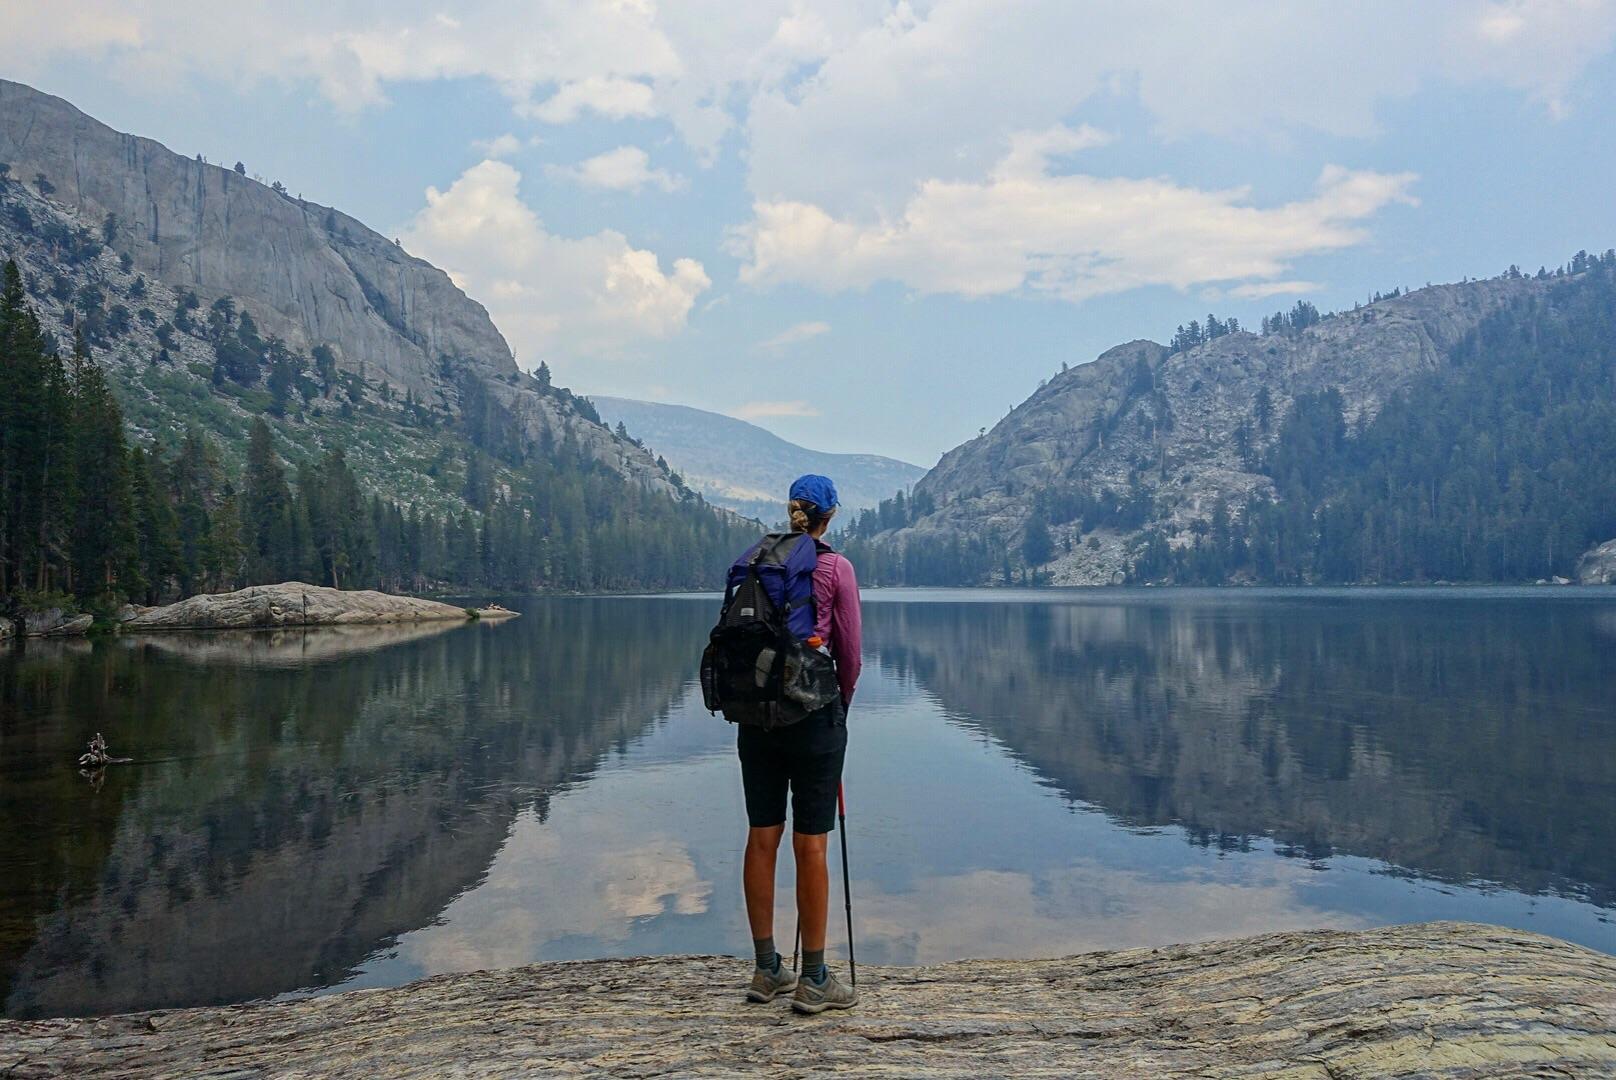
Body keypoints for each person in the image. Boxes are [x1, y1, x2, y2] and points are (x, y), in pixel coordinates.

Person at [739, 474, 862, 1014]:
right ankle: (814, 978)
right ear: (829, 517)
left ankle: (767, 971)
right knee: (811, 843)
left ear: (790, 512)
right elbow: (851, 654)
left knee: (762, 835)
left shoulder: (755, 560)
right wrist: (840, 709)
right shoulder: (835, 567)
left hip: (755, 717)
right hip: (814, 717)